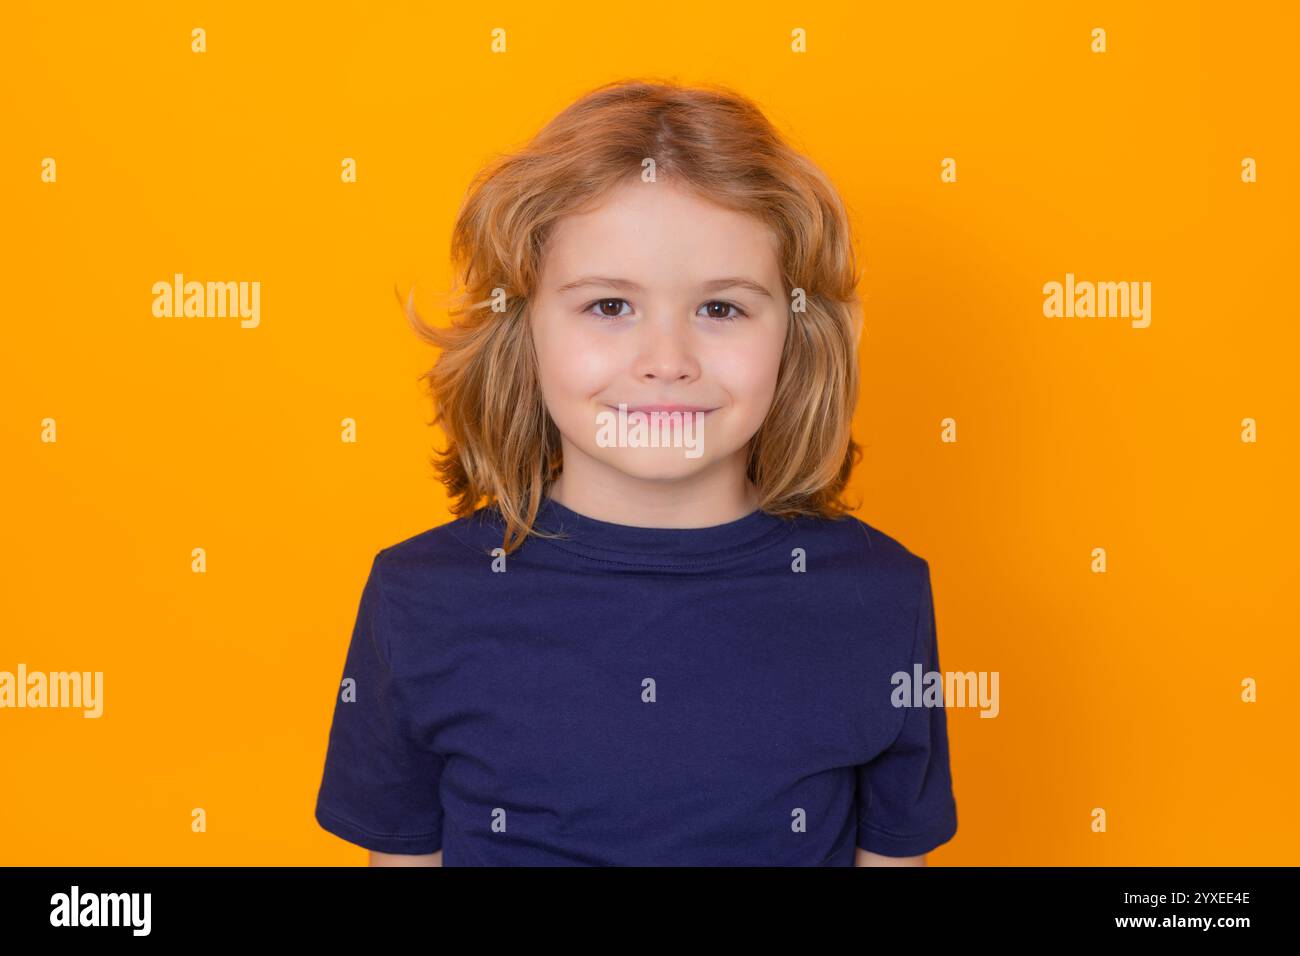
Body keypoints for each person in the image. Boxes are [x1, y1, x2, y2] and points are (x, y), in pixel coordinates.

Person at [314, 78, 958, 866]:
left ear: (797, 338)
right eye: (609, 306)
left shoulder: (880, 596)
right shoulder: (419, 598)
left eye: (721, 309)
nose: (666, 363)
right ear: (521, 328)